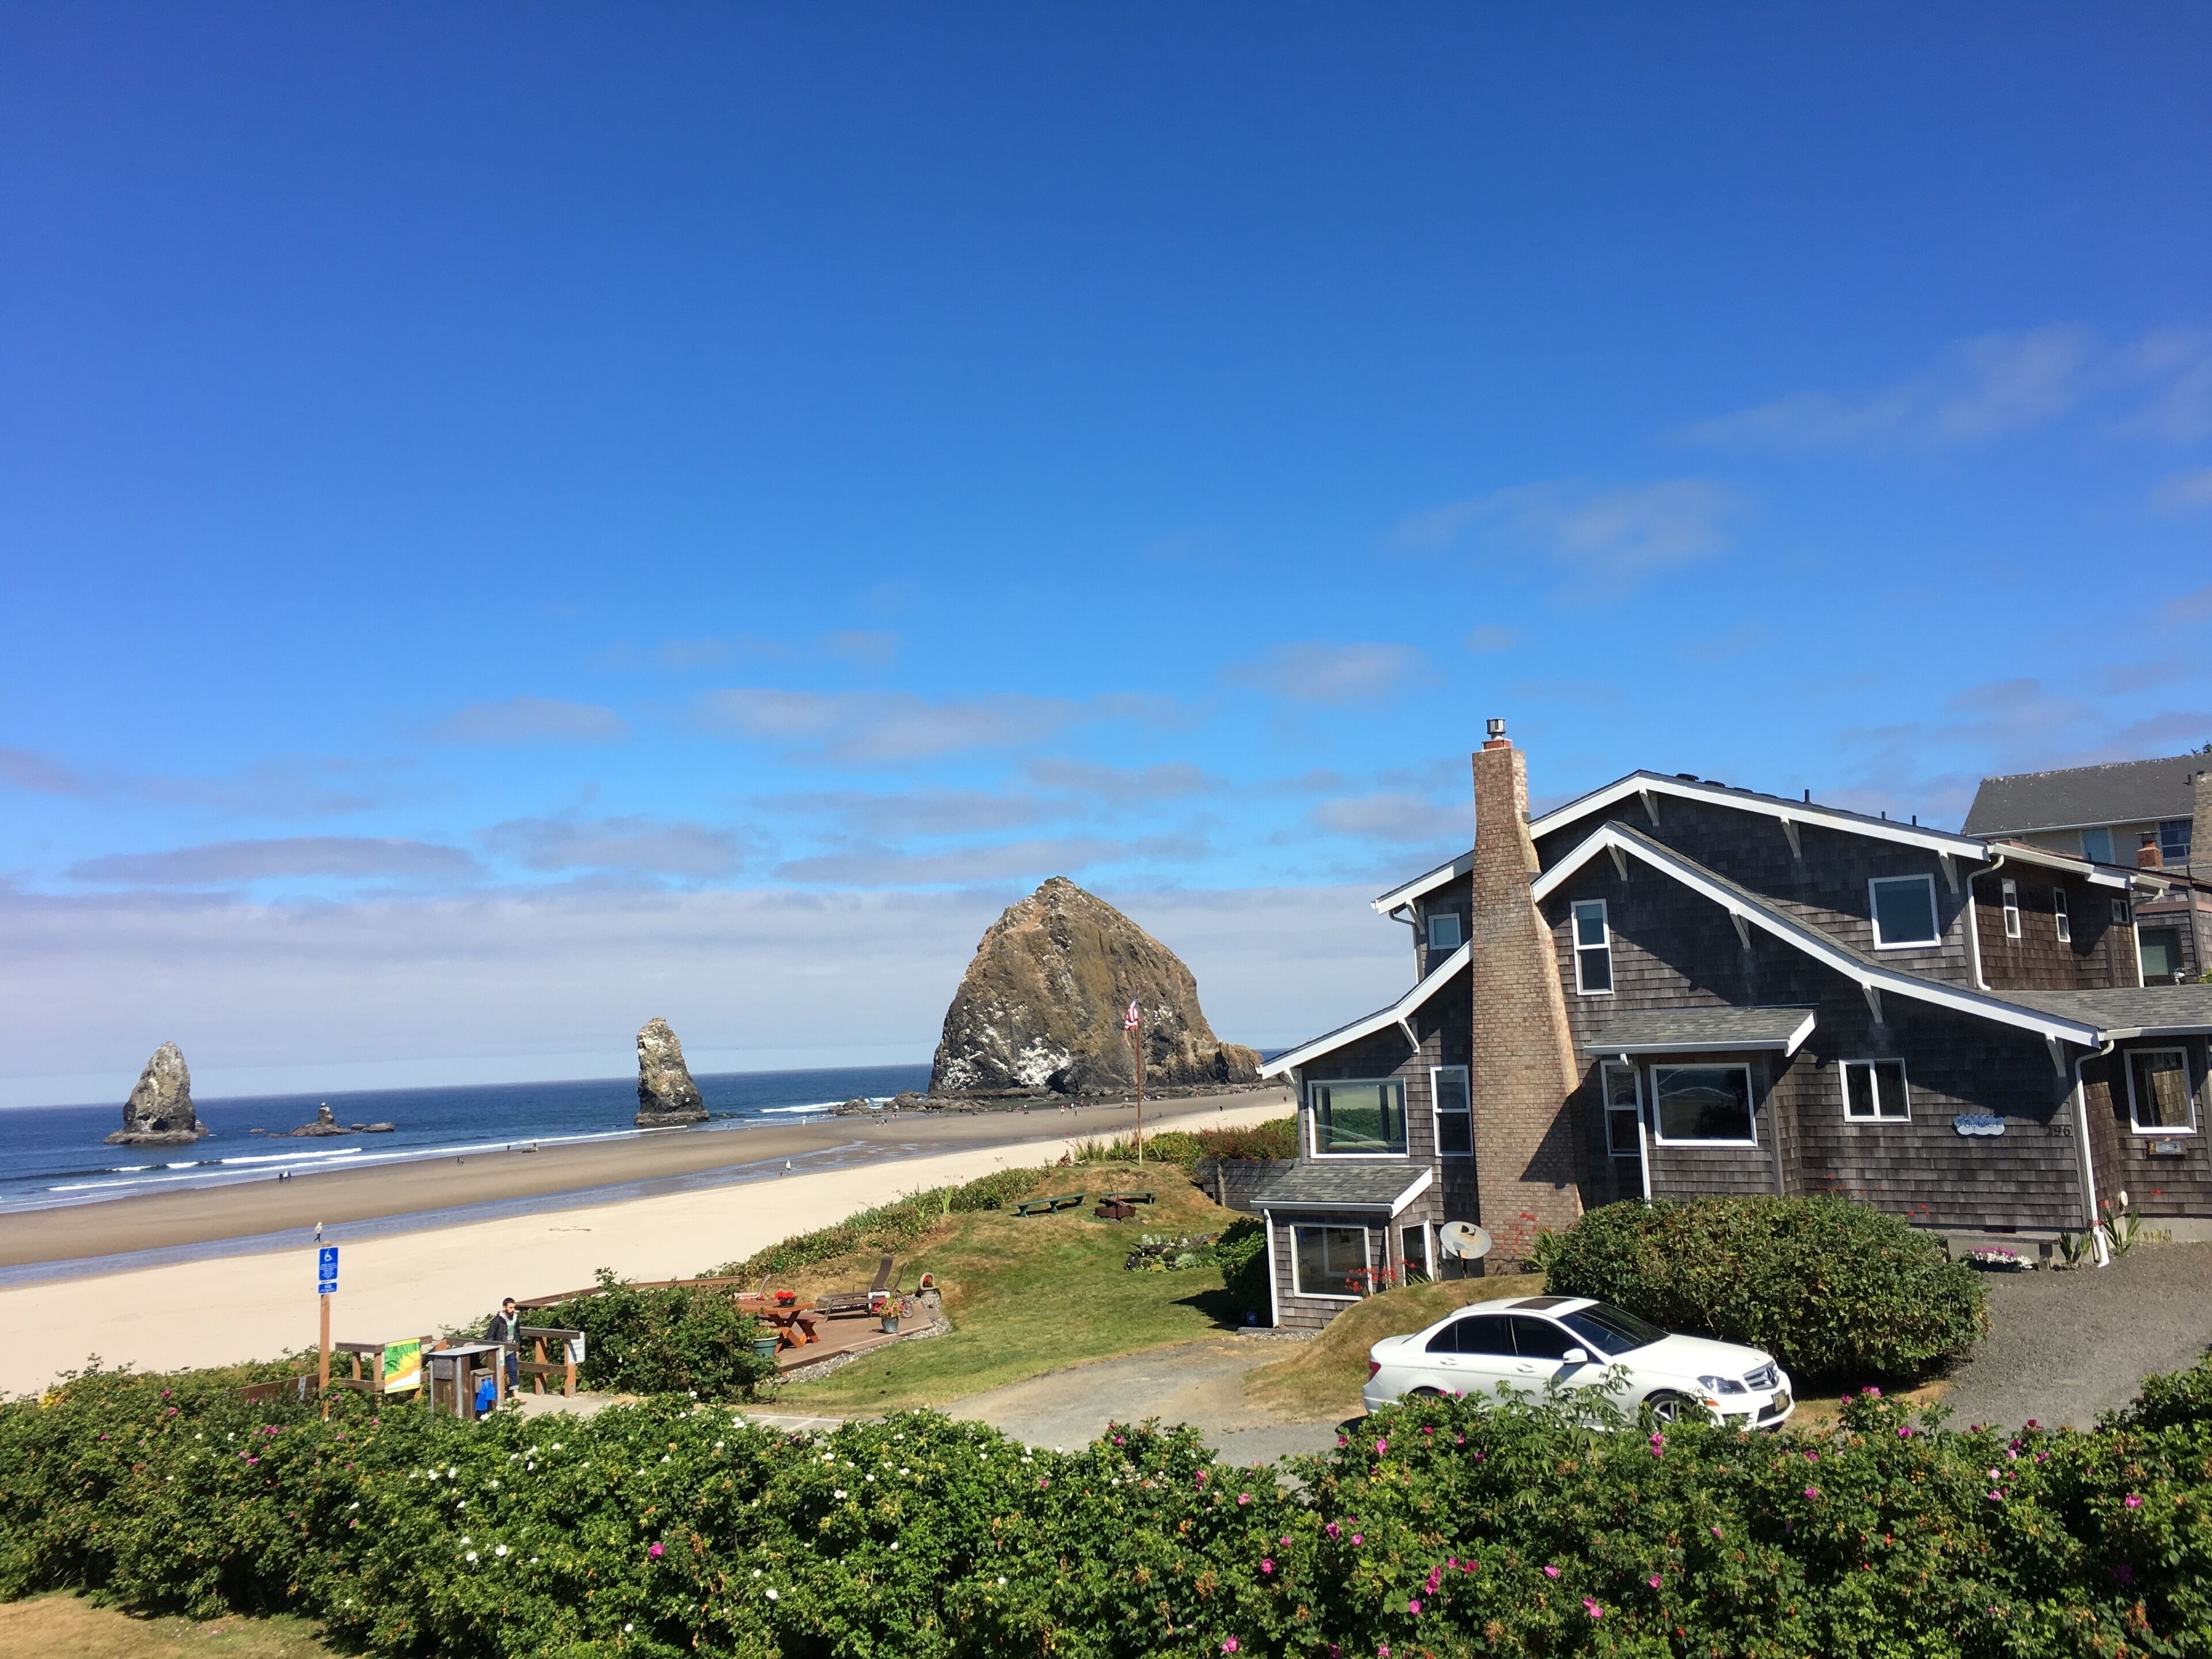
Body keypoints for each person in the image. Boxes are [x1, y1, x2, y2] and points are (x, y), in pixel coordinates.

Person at [487, 1296, 521, 1396]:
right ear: (504, 1307)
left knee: (513, 1371)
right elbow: (490, 1337)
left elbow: (518, 1333)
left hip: (511, 1349)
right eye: (510, 1307)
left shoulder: (515, 1318)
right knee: (498, 1372)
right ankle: (498, 1394)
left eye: (513, 1307)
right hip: (500, 1350)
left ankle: (516, 1395)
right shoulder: (497, 1321)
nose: (513, 1310)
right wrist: (491, 1351)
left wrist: (517, 1348)